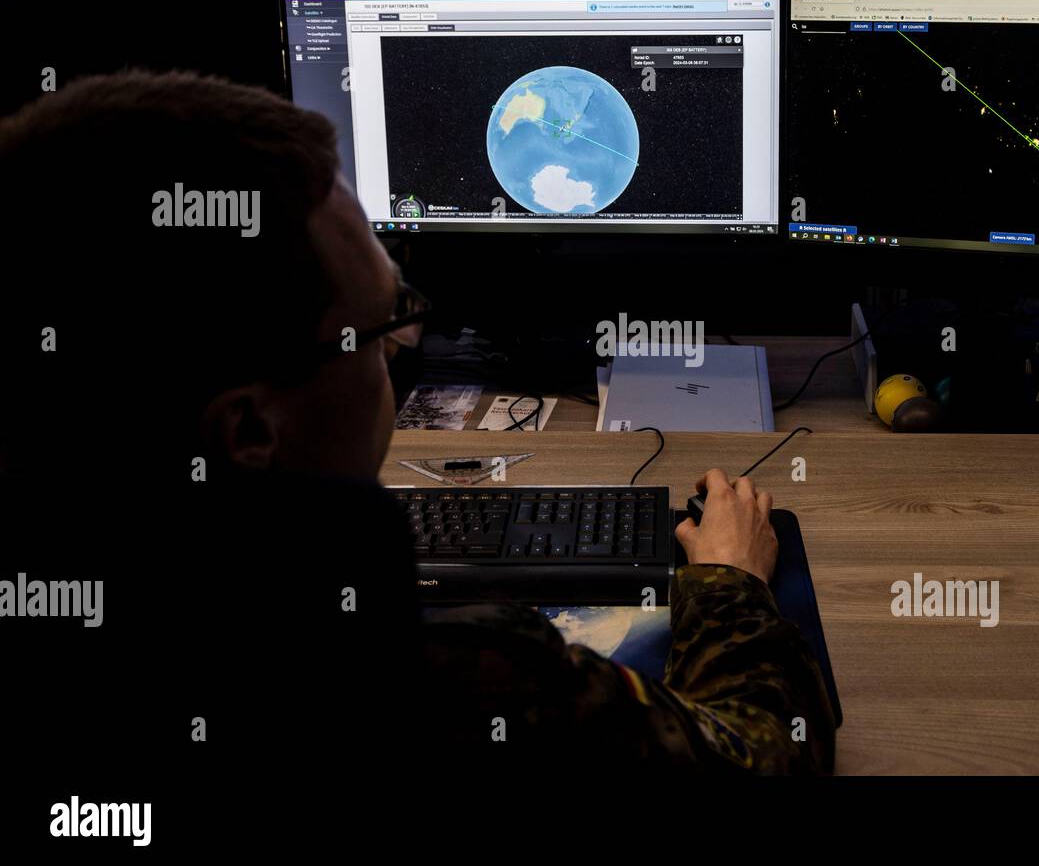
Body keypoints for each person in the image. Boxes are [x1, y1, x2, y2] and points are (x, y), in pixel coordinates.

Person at [0, 72, 835, 785]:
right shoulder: (438, 673)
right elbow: (757, 762)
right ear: (252, 427)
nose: (402, 347)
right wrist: (730, 585)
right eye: (382, 324)